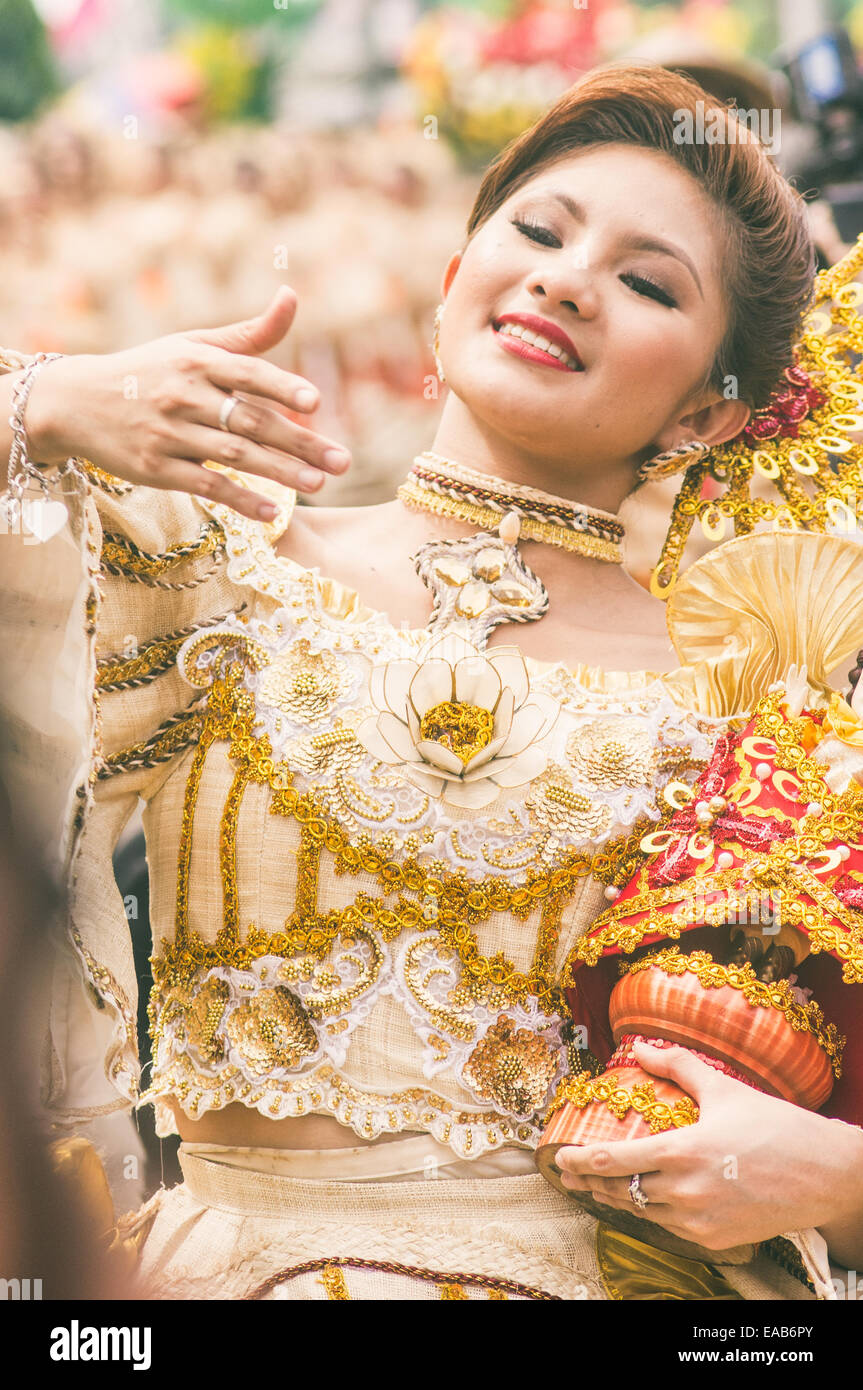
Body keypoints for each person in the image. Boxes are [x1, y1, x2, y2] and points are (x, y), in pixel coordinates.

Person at [2, 62, 863, 1302]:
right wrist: (42, 400)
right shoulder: (215, 563)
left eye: (642, 281)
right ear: (456, 281)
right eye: (538, 231)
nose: (568, 278)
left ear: (708, 417)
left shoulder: (764, 691)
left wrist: (834, 1181)